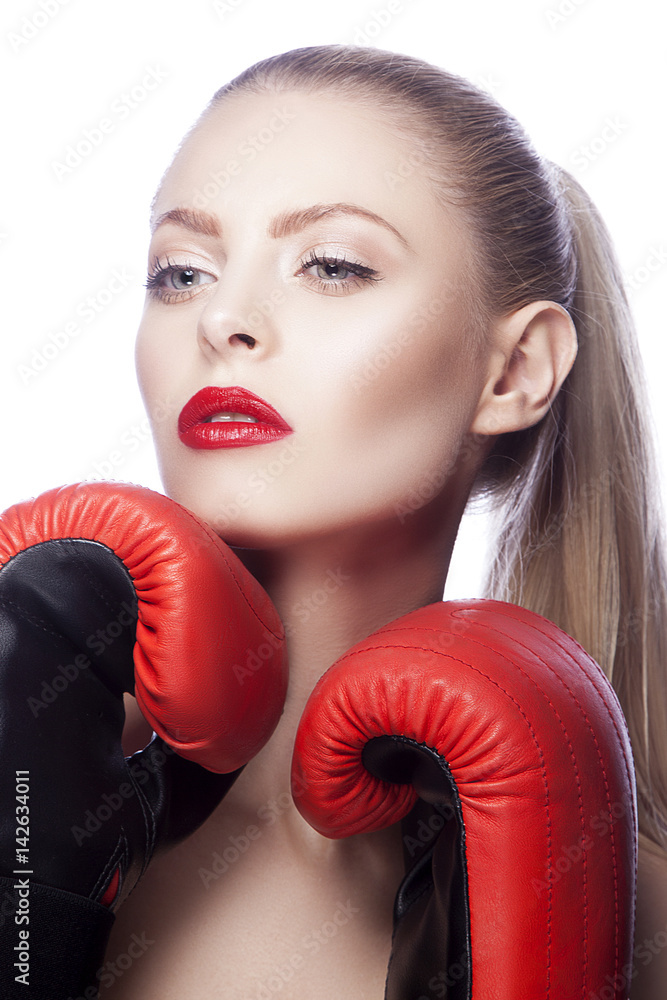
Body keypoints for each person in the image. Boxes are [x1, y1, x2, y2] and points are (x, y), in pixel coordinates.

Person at [2, 43, 666, 998]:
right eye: (180, 272)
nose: (223, 317)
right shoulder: (25, 800)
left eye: (332, 265)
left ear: (515, 370)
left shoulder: (627, 914)